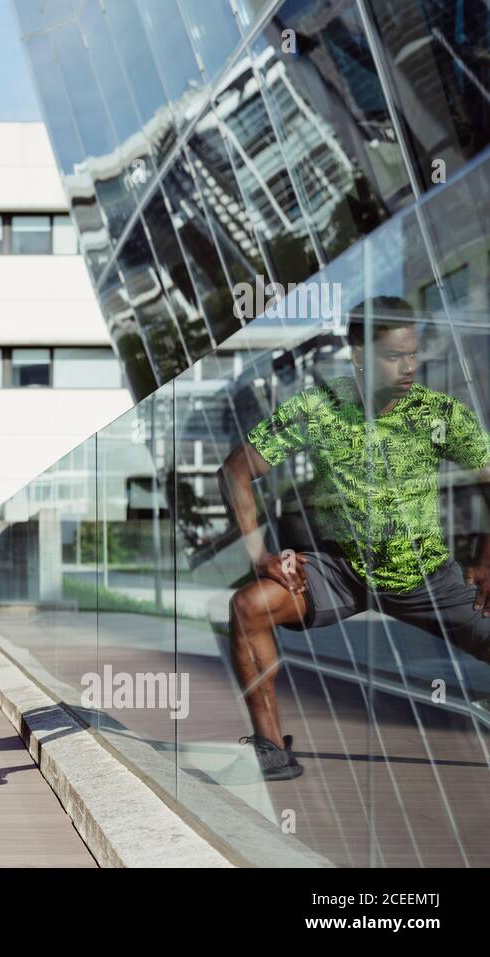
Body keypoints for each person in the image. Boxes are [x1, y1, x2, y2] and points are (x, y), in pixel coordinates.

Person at [219, 297, 490, 780]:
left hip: (425, 575)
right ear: (360, 356)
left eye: (413, 353)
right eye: (394, 355)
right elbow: (237, 471)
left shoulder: (438, 413)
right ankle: (270, 749)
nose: (409, 366)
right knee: (248, 607)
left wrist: (488, 561)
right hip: (338, 571)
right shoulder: (320, 408)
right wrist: (258, 554)